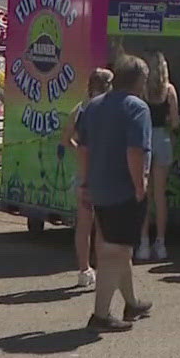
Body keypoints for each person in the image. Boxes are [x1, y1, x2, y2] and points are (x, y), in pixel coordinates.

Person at [76, 54, 153, 331]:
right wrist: (140, 186)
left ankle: (132, 302)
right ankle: (101, 314)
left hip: (98, 186)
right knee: (116, 251)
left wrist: (84, 183)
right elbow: (135, 151)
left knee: (120, 249)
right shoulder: (138, 109)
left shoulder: (94, 106)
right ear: (140, 81)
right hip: (124, 189)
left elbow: (82, 149)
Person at [61, 67, 113, 289]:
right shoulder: (110, 110)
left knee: (83, 225)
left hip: (83, 173)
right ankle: (101, 268)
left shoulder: (79, 109)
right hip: (104, 173)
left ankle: (84, 269)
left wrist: (78, 150)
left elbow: (65, 139)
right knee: (102, 226)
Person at [137, 50, 179, 262]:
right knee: (160, 195)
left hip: (145, 139)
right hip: (162, 139)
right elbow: (175, 122)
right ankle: (160, 243)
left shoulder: (142, 90)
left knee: (145, 193)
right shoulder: (169, 90)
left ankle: (143, 242)